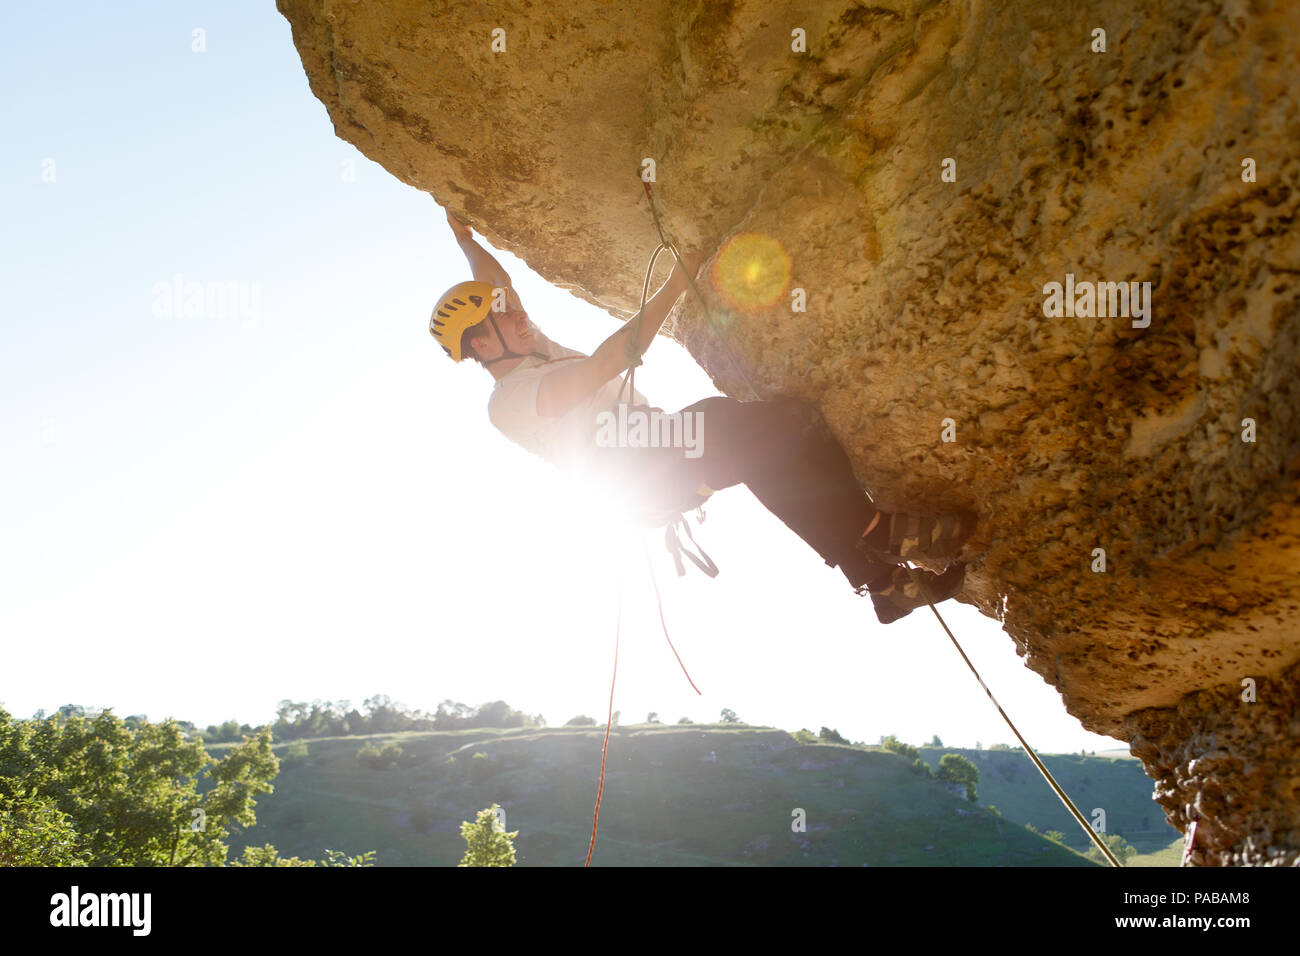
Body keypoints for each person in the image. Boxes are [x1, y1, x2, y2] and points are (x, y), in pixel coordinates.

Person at [431, 209, 975, 624]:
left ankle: (881, 583)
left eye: (512, 306)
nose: (518, 310)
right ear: (482, 342)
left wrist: (465, 240)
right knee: (727, 426)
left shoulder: (532, 349)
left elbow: (496, 283)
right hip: (637, 481)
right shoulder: (508, 403)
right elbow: (605, 363)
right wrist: (675, 286)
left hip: (657, 455)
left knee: (784, 427)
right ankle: (880, 535)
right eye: (503, 314)